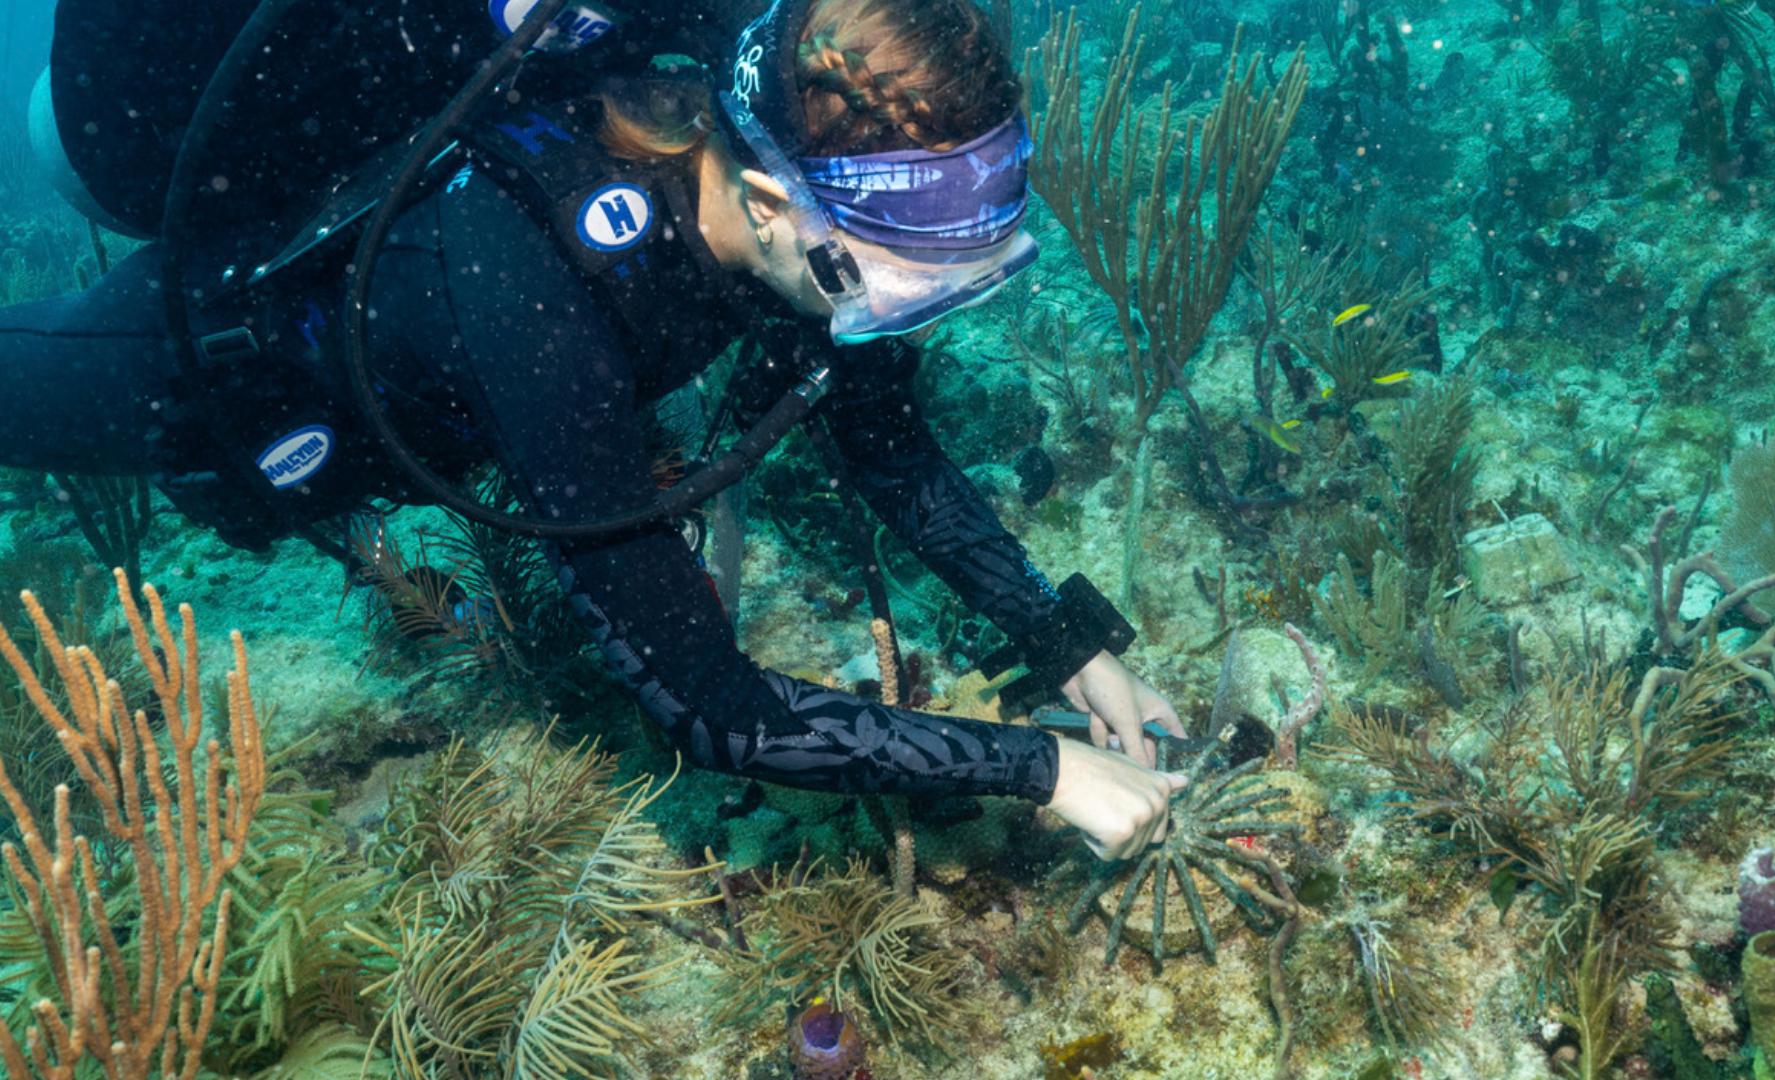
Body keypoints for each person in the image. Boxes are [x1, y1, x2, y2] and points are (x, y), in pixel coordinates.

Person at [0, 0, 1190, 860]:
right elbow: (711, 705)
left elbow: (887, 449)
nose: (897, 324)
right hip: (236, 369)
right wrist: (1044, 770)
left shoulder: (801, 201)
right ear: (774, 206)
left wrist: (1067, 642)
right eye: (910, 290)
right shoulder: (536, 280)